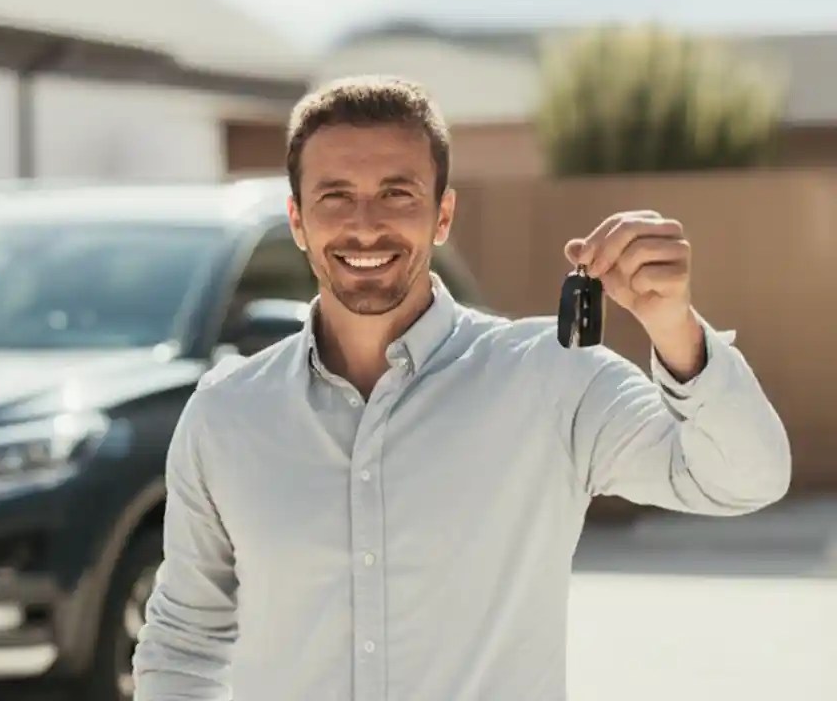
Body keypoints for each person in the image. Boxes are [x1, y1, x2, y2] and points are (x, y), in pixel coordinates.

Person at [130, 75, 791, 700]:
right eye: (335, 195)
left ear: (442, 216)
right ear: (298, 220)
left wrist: (672, 324)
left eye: (397, 193)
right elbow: (184, 641)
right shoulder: (226, 414)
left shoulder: (551, 378)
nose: (365, 225)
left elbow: (744, 477)